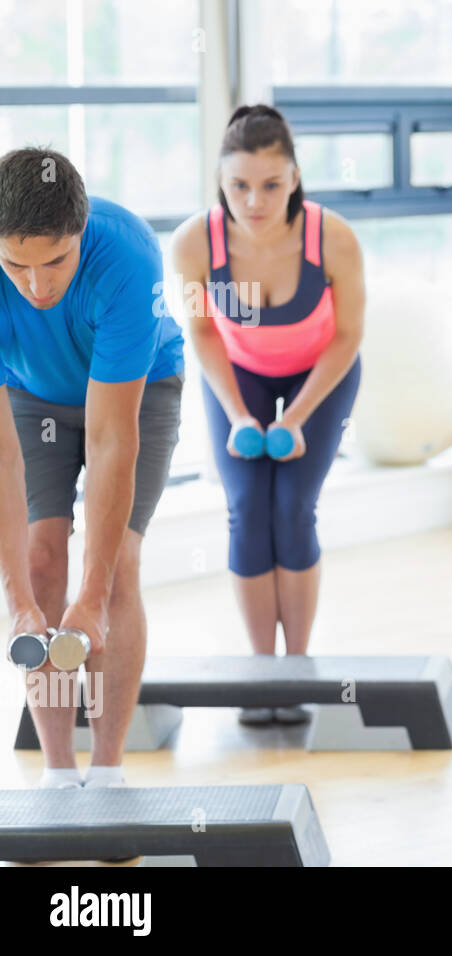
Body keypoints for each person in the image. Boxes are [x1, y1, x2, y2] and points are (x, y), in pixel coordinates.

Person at [171, 105, 364, 725]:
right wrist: (236, 415)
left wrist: (299, 418)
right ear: (221, 183)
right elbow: (201, 333)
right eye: (239, 186)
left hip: (321, 375)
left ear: (295, 178)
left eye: (271, 185)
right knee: (247, 508)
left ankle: (296, 671)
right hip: (238, 376)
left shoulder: (331, 237)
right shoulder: (194, 242)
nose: (254, 201)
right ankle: (263, 675)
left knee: (293, 507)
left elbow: (347, 338)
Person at [0, 147, 185, 789]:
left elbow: (111, 437)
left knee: (118, 569)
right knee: (42, 559)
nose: (36, 285)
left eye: (55, 261)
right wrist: (20, 601)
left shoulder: (127, 256)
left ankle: (108, 773)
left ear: (81, 233)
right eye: (15, 265)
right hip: (31, 392)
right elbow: (1, 455)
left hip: (140, 391)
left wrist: (93, 598)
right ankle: (57, 774)